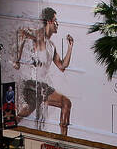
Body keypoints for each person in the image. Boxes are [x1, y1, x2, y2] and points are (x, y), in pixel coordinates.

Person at [13, 7, 74, 135]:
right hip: (32, 84)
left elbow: (62, 66)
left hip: (43, 86)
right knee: (26, 110)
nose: (58, 24)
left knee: (66, 103)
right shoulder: (38, 35)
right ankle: (6, 128)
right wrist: (17, 59)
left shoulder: (51, 45)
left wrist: (70, 47)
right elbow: (22, 33)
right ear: (49, 21)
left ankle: (63, 140)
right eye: (56, 20)